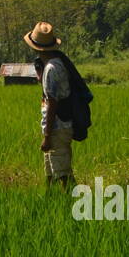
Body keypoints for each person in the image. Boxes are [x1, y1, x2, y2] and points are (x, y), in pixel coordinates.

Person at [24, 21, 75, 191]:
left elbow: (52, 102)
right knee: (52, 171)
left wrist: (47, 135)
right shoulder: (53, 64)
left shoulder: (52, 69)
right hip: (59, 125)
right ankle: (50, 199)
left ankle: (73, 201)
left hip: (58, 127)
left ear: (36, 47)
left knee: (62, 173)